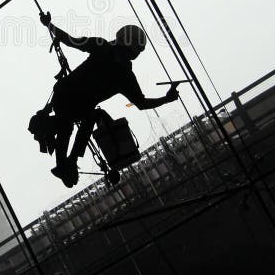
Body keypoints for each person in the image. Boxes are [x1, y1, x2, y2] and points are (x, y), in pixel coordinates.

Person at [39, 12, 180, 187]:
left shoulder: (104, 48)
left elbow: (70, 40)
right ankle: (68, 163)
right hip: (76, 103)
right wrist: (166, 99)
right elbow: (142, 103)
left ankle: (64, 164)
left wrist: (49, 25)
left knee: (67, 125)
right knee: (81, 120)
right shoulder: (125, 75)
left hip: (65, 95)